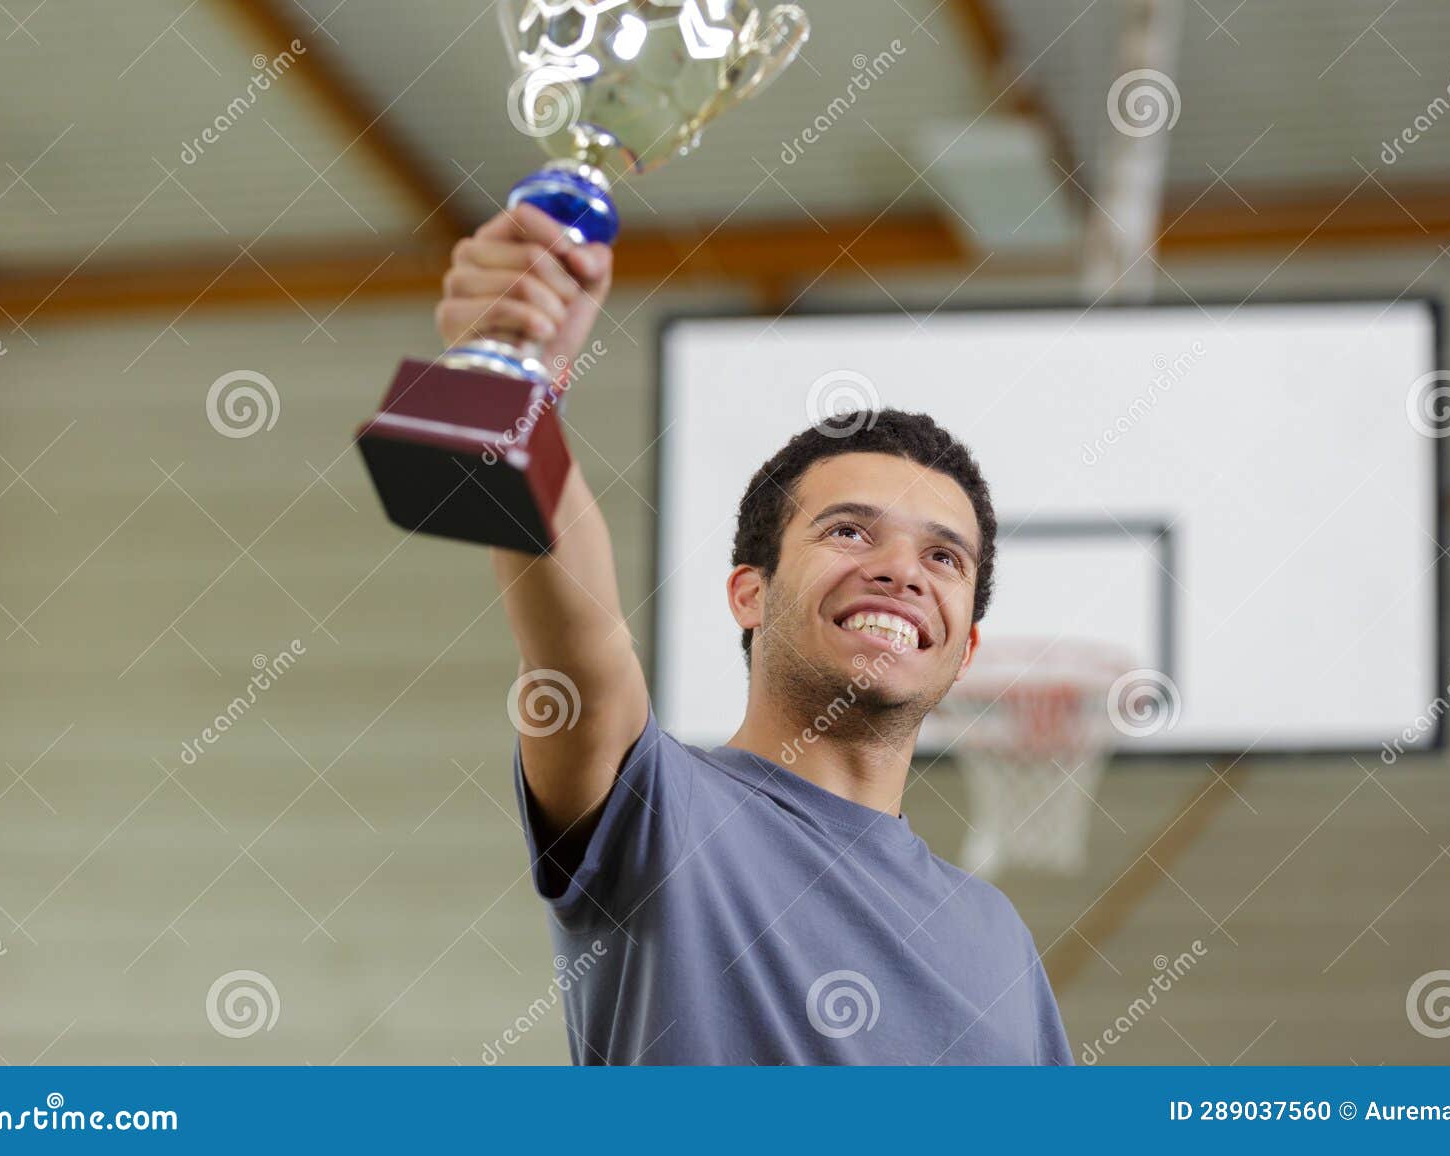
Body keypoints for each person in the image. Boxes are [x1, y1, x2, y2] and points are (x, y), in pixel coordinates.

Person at [441, 204, 1074, 1065]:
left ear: (962, 653)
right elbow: (579, 651)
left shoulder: (996, 938)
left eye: (944, 557)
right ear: (749, 593)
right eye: (849, 531)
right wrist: (502, 383)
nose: (902, 570)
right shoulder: (660, 814)